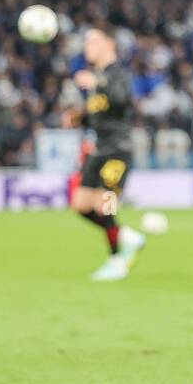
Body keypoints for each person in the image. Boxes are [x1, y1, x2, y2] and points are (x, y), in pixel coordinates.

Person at [67, 27, 146, 281]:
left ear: (108, 44)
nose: (87, 46)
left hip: (118, 150)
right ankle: (126, 236)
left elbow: (123, 100)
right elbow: (98, 117)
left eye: (92, 41)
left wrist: (97, 83)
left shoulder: (118, 73)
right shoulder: (98, 77)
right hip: (98, 149)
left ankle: (116, 261)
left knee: (105, 204)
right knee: (80, 205)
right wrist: (79, 118)